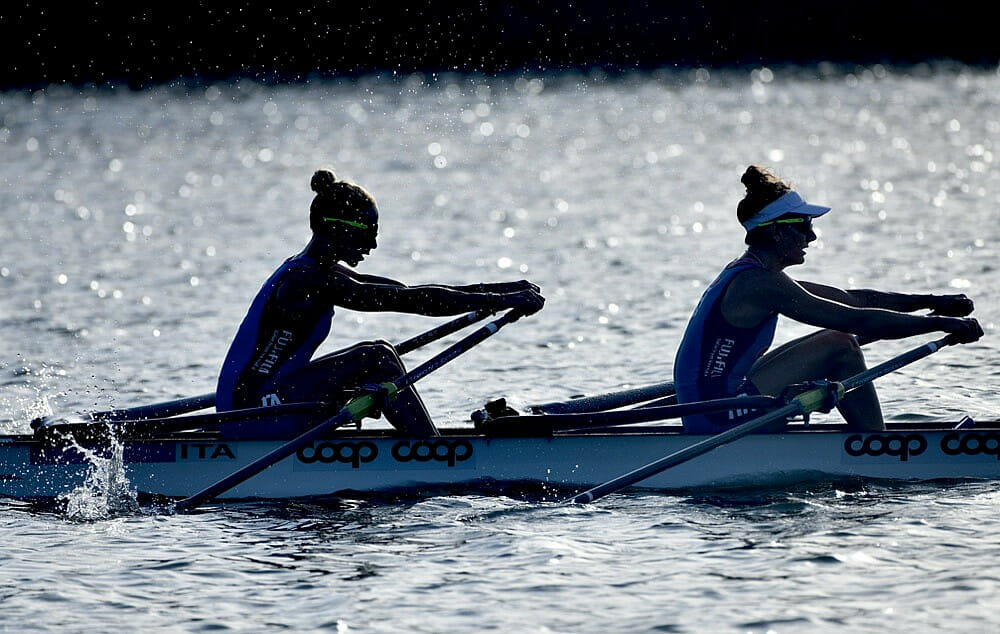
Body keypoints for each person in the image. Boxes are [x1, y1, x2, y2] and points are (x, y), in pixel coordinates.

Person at [216, 168, 545, 438]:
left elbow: (411, 290)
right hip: (256, 410)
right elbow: (410, 301)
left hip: (263, 402)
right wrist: (500, 298)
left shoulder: (317, 272)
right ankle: (432, 452)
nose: (373, 244)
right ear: (337, 229)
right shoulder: (308, 281)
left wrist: (503, 290)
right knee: (376, 357)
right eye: (368, 232)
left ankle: (425, 442)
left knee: (377, 352)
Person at [673, 165, 983, 434]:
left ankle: (874, 442)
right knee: (840, 344)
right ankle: (881, 449)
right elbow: (855, 320)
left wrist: (932, 301)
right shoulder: (759, 283)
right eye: (805, 227)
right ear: (779, 232)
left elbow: (856, 300)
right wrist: (941, 324)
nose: (812, 237)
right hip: (718, 416)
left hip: (719, 403)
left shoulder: (757, 276)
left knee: (836, 339)